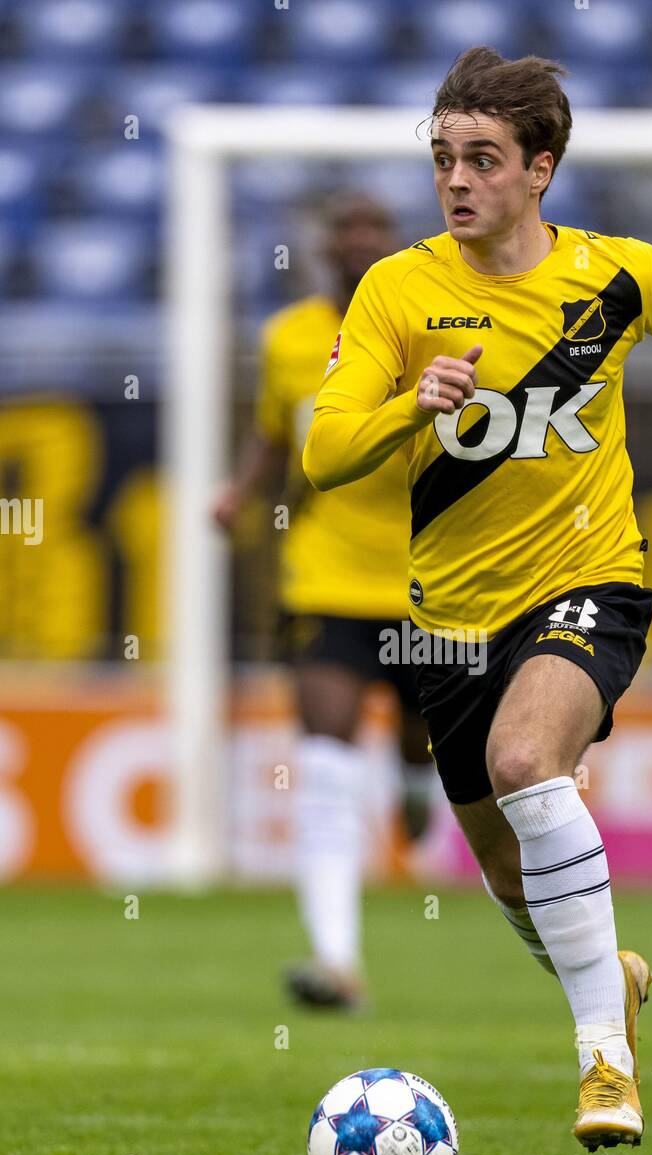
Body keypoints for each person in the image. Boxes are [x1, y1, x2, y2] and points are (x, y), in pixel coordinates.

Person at [301, 46, 652, 1150]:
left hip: (588, 581)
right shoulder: (397, 289)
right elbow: (322, 452)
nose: (455, 181)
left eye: (482, 159)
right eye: (443, 156)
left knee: (525, 762)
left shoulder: (616, 276)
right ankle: (612, 981)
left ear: (538, 168)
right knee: (507, 874)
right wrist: (411, 407)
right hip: (447, 621)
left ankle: (601, 1062)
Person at [214, 192, 436, 1011]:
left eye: (373, 232)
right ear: (324, 248)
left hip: (427, 580)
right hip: (326, 578)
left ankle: (417, 794)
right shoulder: (289, 339)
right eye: (345, 233)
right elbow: (278, 430)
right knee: (326, 760)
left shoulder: (429, 330)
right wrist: (239, 493)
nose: (359, 244)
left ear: (391, 246)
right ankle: (336, 960)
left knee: (421, 745)